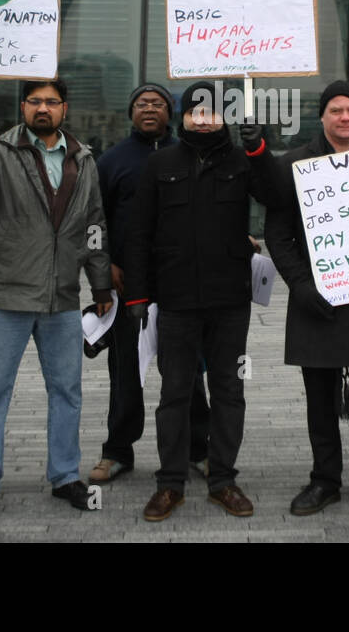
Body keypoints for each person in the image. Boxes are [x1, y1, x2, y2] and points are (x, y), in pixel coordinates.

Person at [0, 79, 111, 525]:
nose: (43, 108)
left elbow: (95, 223)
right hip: (8, 294)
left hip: (62, 296)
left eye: (51, 102)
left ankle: (64, 477)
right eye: (35, 101)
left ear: (64, 108)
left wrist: (100, 287)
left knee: (67, 392)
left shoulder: (84, 157)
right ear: (23, 106)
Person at [124, 81, 276, 522]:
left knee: (229, 390)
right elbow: (138, 233)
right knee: (175, 393)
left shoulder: (241, 160)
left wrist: (258, 148)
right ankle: (170, 484)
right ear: (184, 116)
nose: (205, 117)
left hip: (230, 299)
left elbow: (274, 195)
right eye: (196, 110)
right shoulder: (160, 162)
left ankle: (223, 480)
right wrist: (137, 295)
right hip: (175, 301)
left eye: (214, 110)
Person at [265, 80, 349, 517]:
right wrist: (301, 286)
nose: (345, 118)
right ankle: (325, 479)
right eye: (336, 110)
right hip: (318, 301)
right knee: (320, 399)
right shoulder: (295, 164)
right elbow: (278, 234)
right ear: (322, 116)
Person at [88, 83, 211, 486]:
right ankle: (117, 450)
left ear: (170, 112)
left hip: (180, 284)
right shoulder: (110, 161)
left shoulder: (191, 156)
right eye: (141, 103)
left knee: (188, 371)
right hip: (129, 284)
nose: (149, 109)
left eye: (158, 104)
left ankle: (198, 448)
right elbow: (95, 222)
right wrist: (105, 273)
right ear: (131, 112)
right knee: (126, 370)